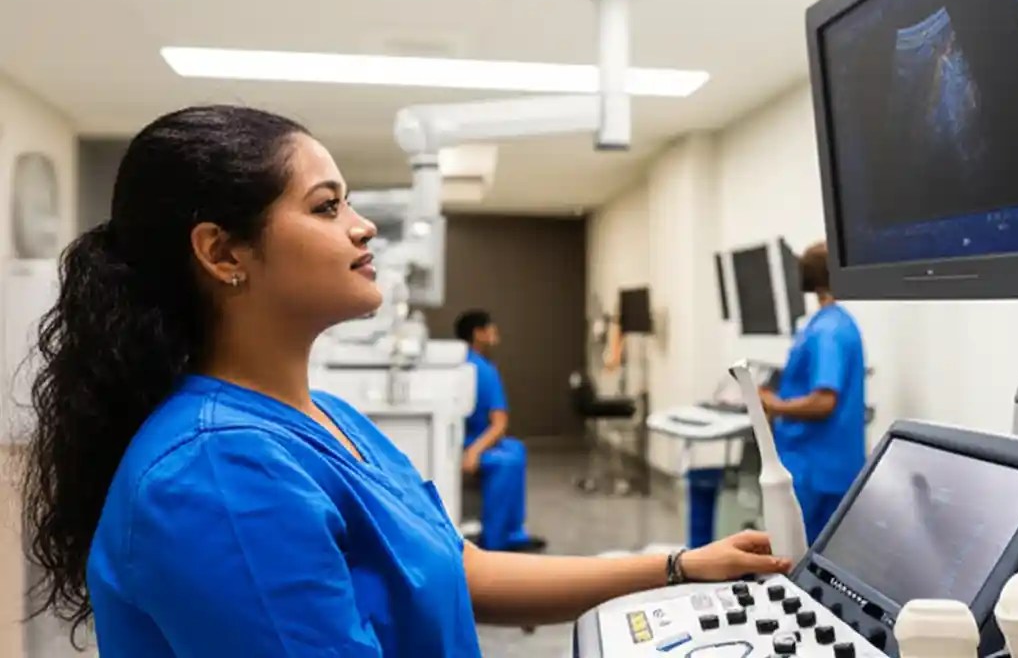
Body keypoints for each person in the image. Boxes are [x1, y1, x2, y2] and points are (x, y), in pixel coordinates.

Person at [21, 105, 791, 657]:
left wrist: (678, 569)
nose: (363, 226)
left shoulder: (329, 419)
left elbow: (462, 572)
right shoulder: (218, 473)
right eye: (326, 206)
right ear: (224, 253)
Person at [760, 241, 866, 544]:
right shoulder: (836, 324)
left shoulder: (827, 330)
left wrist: (774, 405)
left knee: (798, 558)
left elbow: (824, 401)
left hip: (815, 471)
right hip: (825, 466)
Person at [453, 309, 545, 552]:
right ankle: (496, 540)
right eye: (491, 328)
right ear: (478, 334)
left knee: (517, 448)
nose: (496, 333)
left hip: (463, 437)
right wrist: (473, 451)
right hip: (470, 443)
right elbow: (499, 423)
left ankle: (514, 532)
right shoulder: (484, 370)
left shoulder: (460, 364)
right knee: (508, 460)